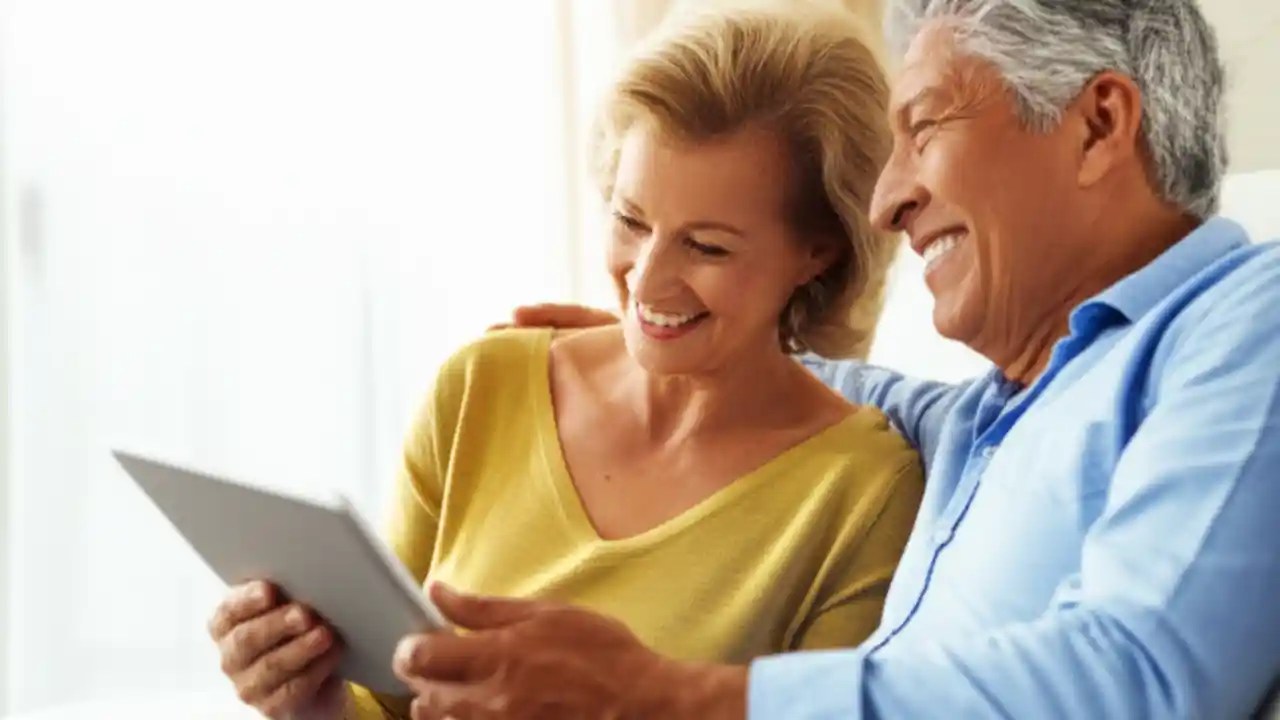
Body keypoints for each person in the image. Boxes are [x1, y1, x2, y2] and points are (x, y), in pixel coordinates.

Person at [387, 0, 1280, 718]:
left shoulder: (1249, 320)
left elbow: (1145, 677)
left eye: (924, 127)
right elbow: (829, 385)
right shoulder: (987, 417)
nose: (888, 200)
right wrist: (663, 329)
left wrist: (667, 697)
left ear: (1097, 124)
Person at [205, 3, 927, 718]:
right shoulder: (480, 388)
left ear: (819, 251)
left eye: (706, 246)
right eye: (630, 220)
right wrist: (311, 699)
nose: (646, 281)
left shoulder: (861, 491)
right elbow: (389, 701)